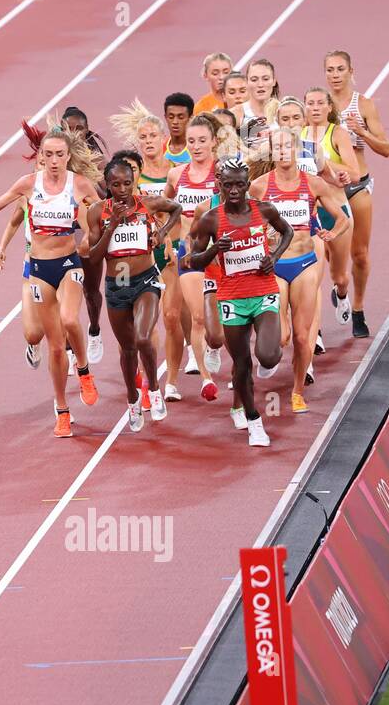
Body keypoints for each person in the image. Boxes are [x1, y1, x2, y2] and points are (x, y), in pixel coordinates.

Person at [0, 119, 100, 437]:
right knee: (55, 348)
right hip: (40, 271)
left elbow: (99, 217)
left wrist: (90, 235)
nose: (54, 161)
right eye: (49, 154)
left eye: (60, 155)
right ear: (42, 155)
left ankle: (83, 370)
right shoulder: (28, 184)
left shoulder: (79, 184)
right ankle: (62, 410)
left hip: (69, 264)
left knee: (70, 320)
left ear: (68, 157)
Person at [188, 157, 294, 447]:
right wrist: (213, 251)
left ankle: (266, 365)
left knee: (269, 355)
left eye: (239, 185)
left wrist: (273, 257)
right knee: (241, 365)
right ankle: (254, 422)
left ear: (248, 185)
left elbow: (287, 231)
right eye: (228, 185)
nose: (233, 190)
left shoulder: (264, 210)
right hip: (232, 297)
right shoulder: (211, 219)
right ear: (219, 185)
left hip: (263, 291)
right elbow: (193, 259)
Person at [248, 129, 352, 413]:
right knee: (281, 336)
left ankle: (296, 392)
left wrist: (331, 233)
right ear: (271, 152)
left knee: (303, 336)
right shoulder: (259, 186)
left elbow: (342, 216)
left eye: (286, 145)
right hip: (276, 266)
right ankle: (266, 355)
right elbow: (246, 221)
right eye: (277, 146)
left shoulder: (314, 184)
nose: (282, 151)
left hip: (305, 263)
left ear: (296, 149)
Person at [86, 152, 182, 431]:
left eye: (127, 183)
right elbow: (93, 258)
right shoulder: (96, 212)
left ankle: (153, 388)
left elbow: (175, 208)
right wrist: (112, 225)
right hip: (117, 286)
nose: (123, 190)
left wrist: (162, 233)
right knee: (127, 350)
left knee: (142, 337)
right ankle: (132, 399)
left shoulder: (147, 204)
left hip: (145, 281)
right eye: (116, 185)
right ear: (107, 186)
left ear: (134, 181)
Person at [110, 99, 186, 401]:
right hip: (137, 256)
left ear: (163, 137)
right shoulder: (128, 179)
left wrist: (168, 239)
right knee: (143, 326)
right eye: (142, 137)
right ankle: (145, 377)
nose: (148, 141)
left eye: (153, 135)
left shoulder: (174, 171)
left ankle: (173, 380)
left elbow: (178, 210)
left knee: (171, 316)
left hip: (170, 250)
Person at [324, 50, 389, 337]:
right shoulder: (319, 106)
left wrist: (361, 131)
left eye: (340, 69)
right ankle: (342, 290)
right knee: (330, 252)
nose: (335, 75)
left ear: (351, 70)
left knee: (360, 255)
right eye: (330, 70)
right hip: (328, 189)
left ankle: (359, 310)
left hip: (358, 185)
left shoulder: (363, 104)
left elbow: (386, 148)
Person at [166, 113, 227, 400]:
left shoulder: (222, 175)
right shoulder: (176, 175)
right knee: (197, 316)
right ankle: (205, 378)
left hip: (222, 257)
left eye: (202, 140)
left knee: (218, 333)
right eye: (191, 141)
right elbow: (164, 208)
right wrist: (167, 237)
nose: (196, 146)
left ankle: (214, 346)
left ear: (214, 142)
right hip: (189, 254)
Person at [303, 86, 359, 328]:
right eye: (310, 104)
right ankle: (314, 330)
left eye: (319, 103)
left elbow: (354, 172)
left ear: (328, 107)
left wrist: (330, 169)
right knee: (311, 276)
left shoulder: (337, 134)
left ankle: (343, 296)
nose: (315, 108)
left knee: (339, 275)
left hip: (336, 212)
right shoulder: (297, 134)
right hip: (307, 213)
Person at [62, 106, 110, 365]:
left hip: (90, 234)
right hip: (62, 238)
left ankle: (94, 330)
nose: (74, 133)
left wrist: (90, 185)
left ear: (87, 129)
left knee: (90, 291)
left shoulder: (98, 162)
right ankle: (69, 348)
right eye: (68, 128)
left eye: (79, 127)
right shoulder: (56, 161)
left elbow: (106, 198)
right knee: (65, 294)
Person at [163, 93, 194, 165]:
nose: (175, 122)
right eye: (171, 117)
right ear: (165, 117)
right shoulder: (160, 149)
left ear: (191, 118)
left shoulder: (197, 148)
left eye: (181, 117)